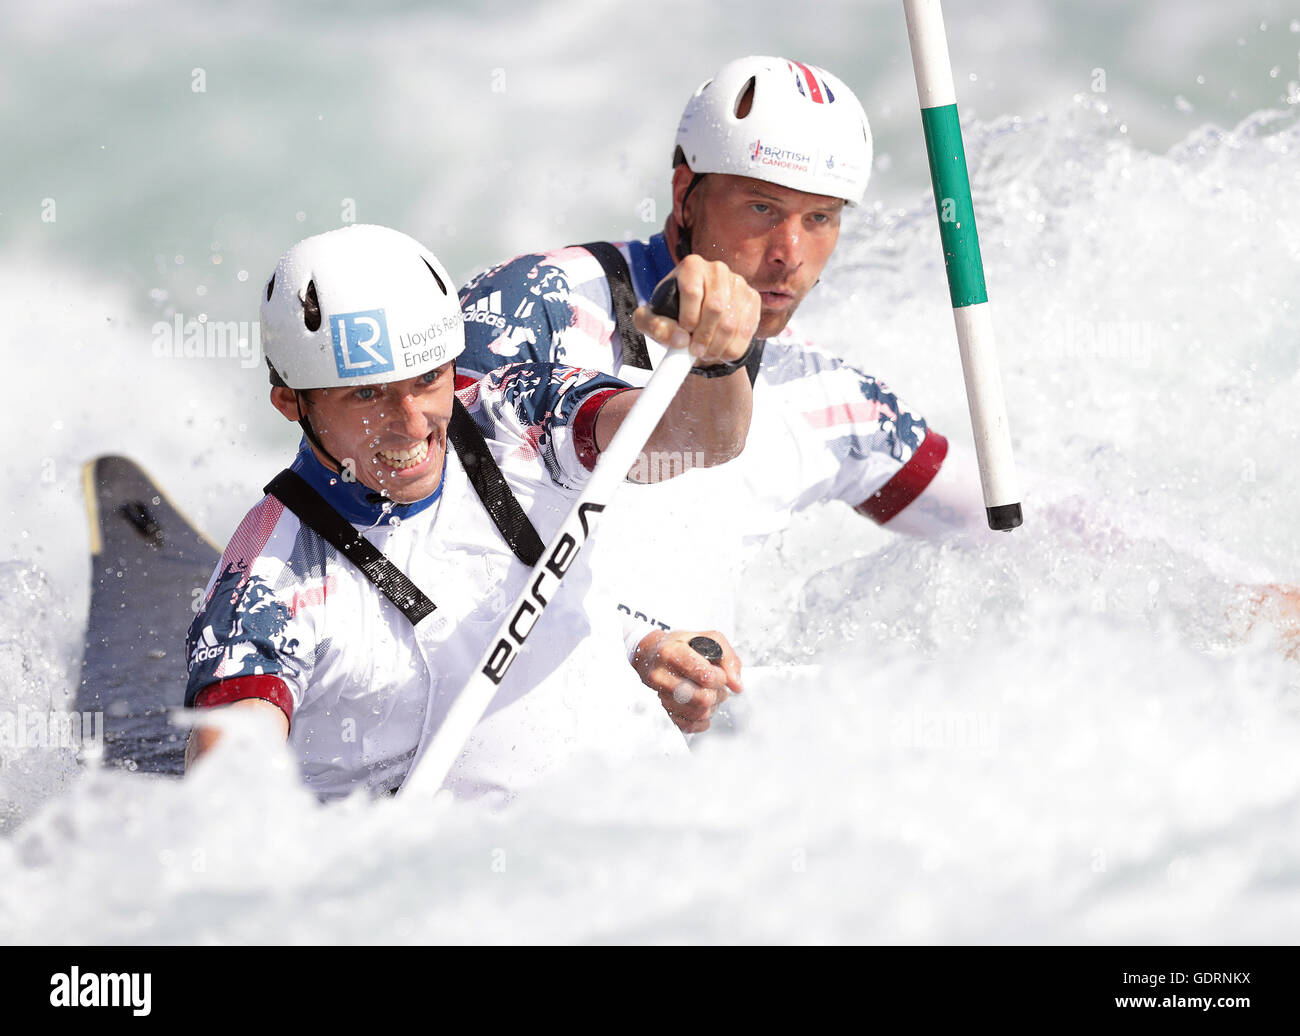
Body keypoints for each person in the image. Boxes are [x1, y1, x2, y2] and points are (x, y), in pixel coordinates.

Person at [456, 56, 989, 733]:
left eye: (821, 219)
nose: (790, 252)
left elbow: (1007, 526)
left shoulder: (830, 397)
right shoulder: (538, 301)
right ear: (686, 194)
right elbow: (427, 528)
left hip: (669, 788)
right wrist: (637, 643)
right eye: (762, 208)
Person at [183, 223, 760, 801]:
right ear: (290, 399)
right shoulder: (266, 586)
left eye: (428, 378)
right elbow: (230, 812)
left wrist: (717, 362)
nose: (412, 424)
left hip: (666, 819)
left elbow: (701, 438)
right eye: (366, 393)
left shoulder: (511, 413)